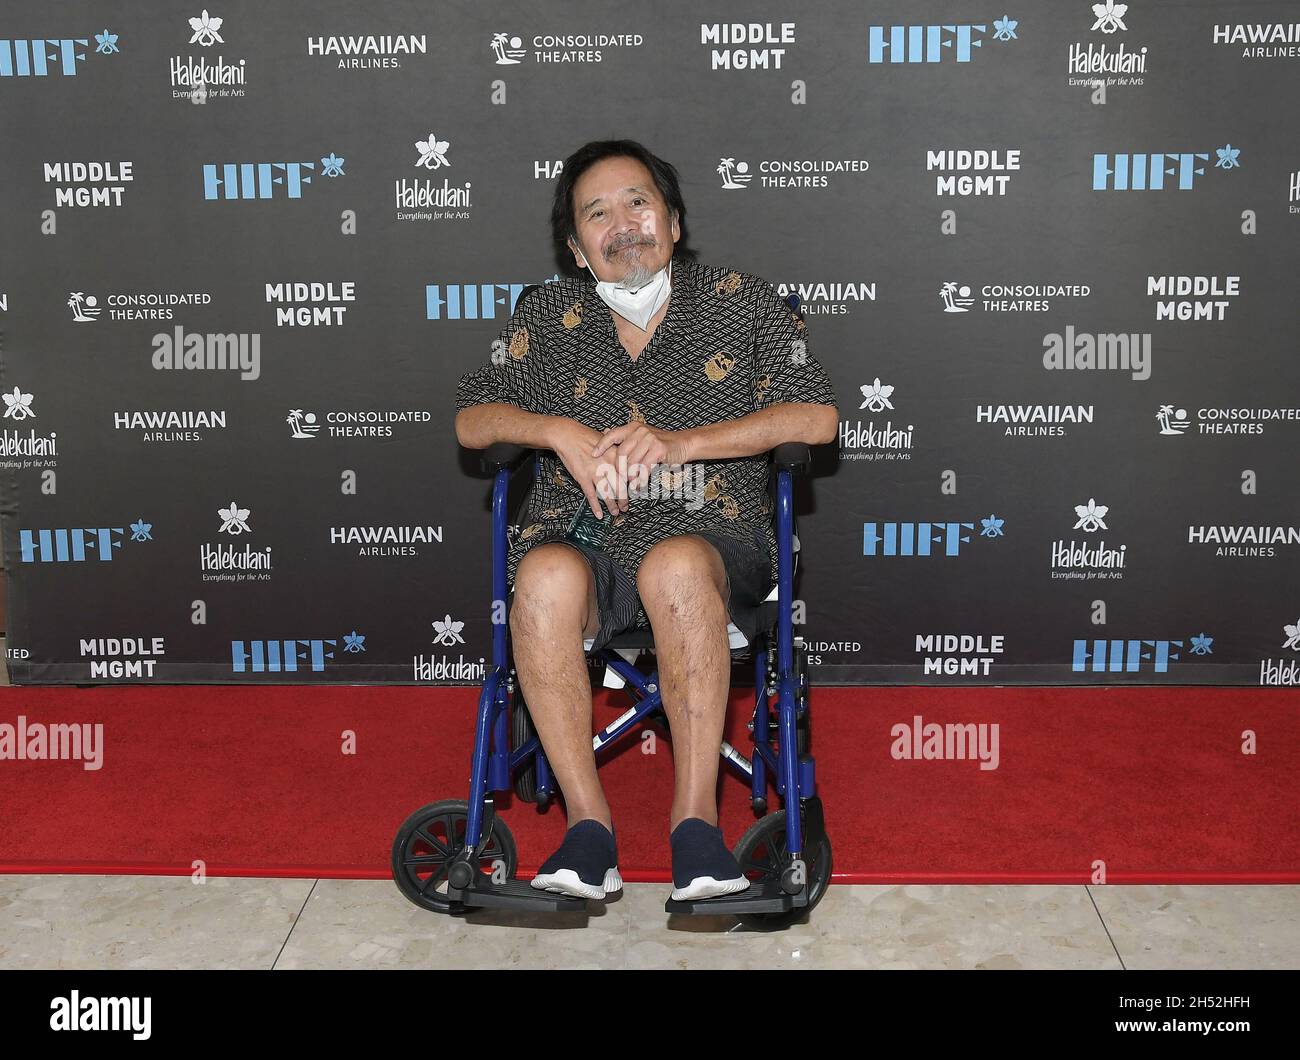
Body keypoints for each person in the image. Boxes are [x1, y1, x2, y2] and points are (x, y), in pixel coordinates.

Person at [454, 139, 839, 902]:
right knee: (541, 575)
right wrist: (554, 431)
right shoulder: (547, 314)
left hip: (709, 530)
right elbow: (472, 418)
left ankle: (695, 825)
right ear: (575, 245)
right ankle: (588, 827)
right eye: (597, 213)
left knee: (675, 564)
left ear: (674, 218)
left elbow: (817, 416)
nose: (622, 224)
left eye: (638, 202)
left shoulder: (740, 299)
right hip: (581, 530)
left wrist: (682, 444)